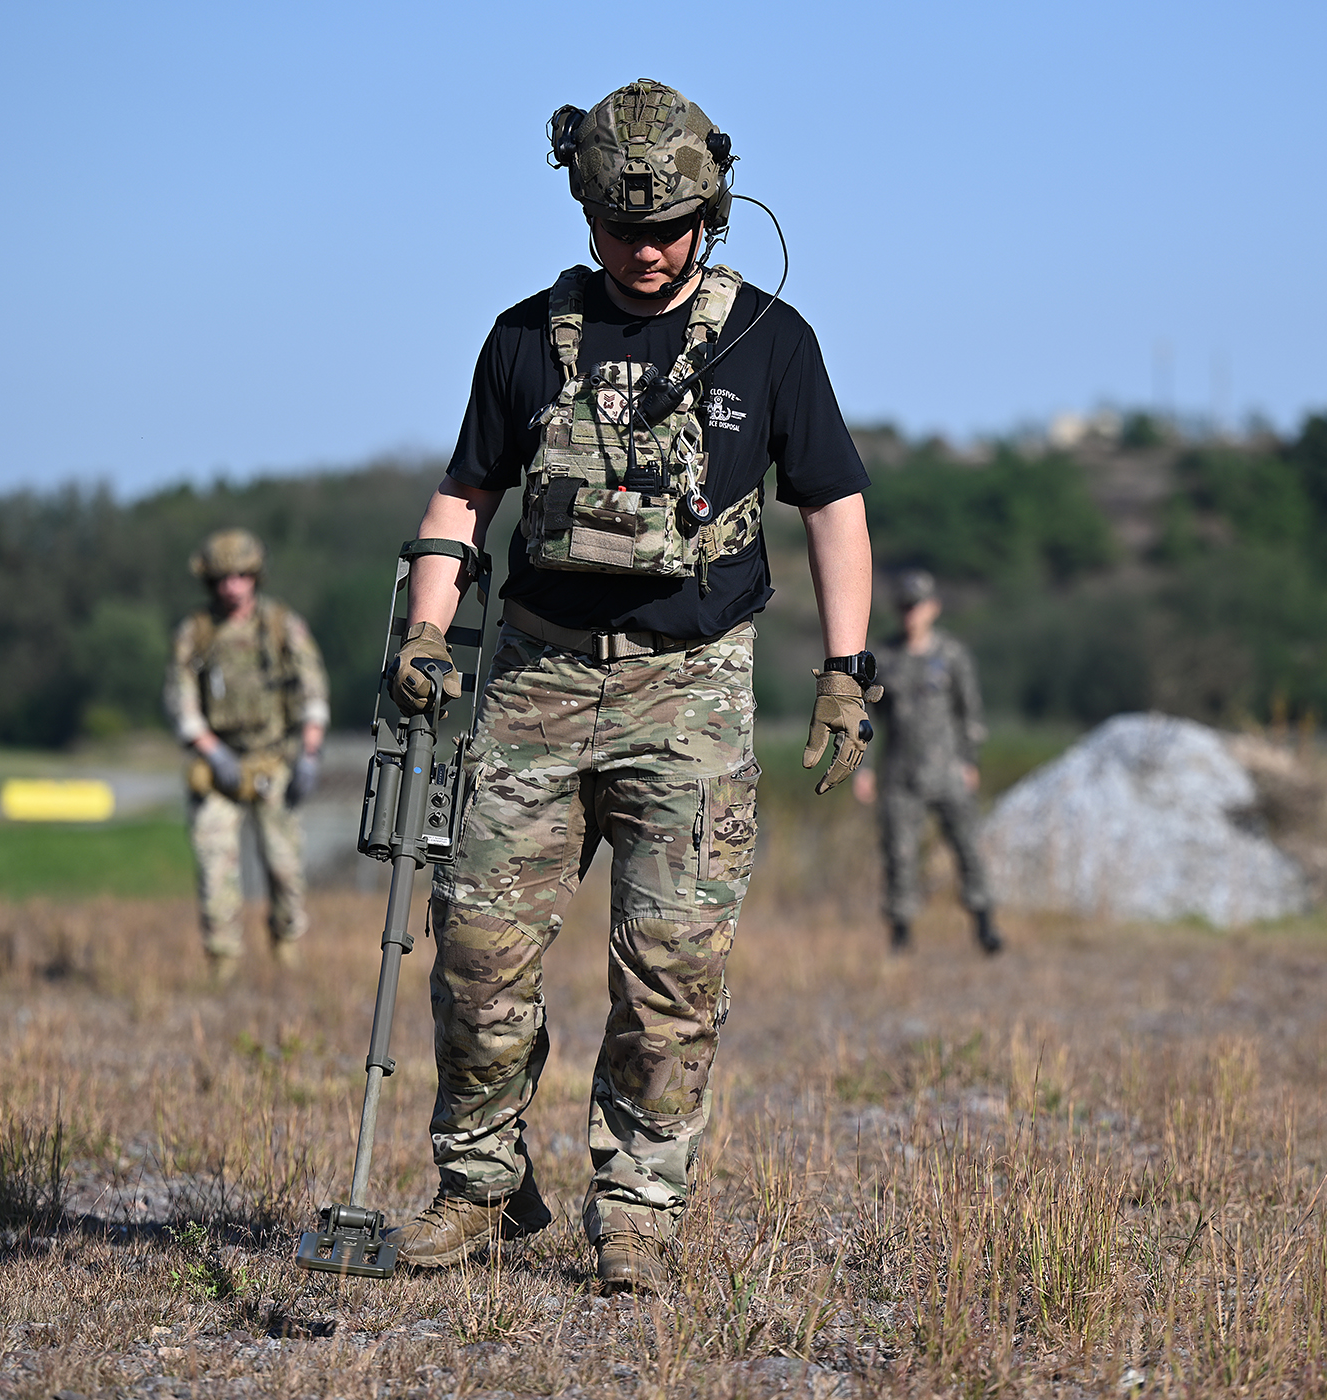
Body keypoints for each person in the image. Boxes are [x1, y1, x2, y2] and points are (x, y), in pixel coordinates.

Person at [382, 78, 877, 1294]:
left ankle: (637, 1208)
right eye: (619, 227)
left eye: (668, 228)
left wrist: (848, 672)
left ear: (711, 210)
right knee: (478, 946)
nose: (646, 251)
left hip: (691, 691)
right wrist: (427, 631)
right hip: (537, 678)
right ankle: (481, 1187)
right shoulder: (519, 338)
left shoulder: (772, 340)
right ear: (583, 214)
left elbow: (836, 505)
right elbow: (465, 497)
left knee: (671, 965)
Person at [164, 528, 329, 984]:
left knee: (285, 867)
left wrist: (309, 754)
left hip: (273, 762)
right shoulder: (196, 633)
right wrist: (212, 753)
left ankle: (286, 949)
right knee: (215, 869)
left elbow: (312, 689)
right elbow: (180, 701)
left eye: (241, 575)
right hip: (216, 768)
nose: (232, 586)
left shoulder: (280, 625)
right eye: (222, 578)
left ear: (255, 576)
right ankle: (223, 962)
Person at [854, 570, 1001, 954]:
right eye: (904, 607)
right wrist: (864, 770)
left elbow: (970, 712)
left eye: (916, 606)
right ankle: (901, 932)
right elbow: (865, 720)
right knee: (899, 854)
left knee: (968, 847)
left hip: (949, 769)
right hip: (901, 772)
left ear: (932, 608)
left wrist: (970, 762)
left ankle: (985, 923)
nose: (910, 614)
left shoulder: (951, 656)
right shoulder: (884, 658)